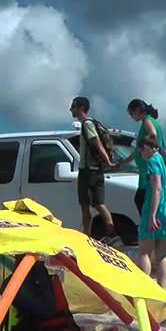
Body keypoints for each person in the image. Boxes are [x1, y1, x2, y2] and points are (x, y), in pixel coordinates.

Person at [136, 136, 166, 288]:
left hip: (156, 206)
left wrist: (152, 215)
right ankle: (162, 288)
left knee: (144, 252)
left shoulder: (153, 161)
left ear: (146, 148)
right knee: (161, 255)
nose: (140, 154)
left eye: (140, 150)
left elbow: (157, 188)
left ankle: (143, 288)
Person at [70, 96, 114, 236]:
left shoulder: (87, 124)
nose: (71, 109)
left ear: (81, 108)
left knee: (85, 205)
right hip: (96, 170)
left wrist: (108, 162)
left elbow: (97, 144)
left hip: (88, 171)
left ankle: (87, 235)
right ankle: (112, 234)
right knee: (98, 204)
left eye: (74, 106)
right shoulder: (92, 123)